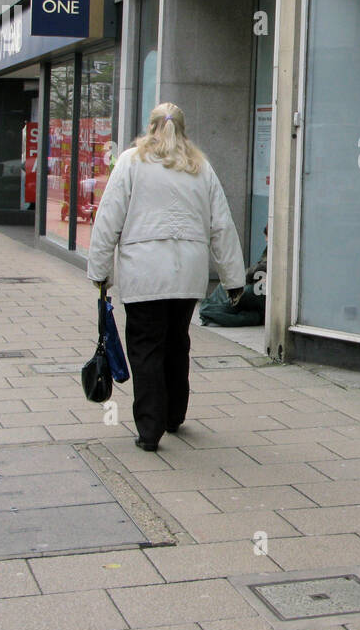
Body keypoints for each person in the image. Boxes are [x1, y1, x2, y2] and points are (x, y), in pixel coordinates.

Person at [87, 103, 245, 452]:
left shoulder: (130, 161)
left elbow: (108, 218)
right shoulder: (200, 167)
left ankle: (149, 429)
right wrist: (233, 280)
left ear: (151, 126)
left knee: (146, 348)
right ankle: (174, 415)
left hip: (144, 272)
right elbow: (222, 225)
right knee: (177, 343)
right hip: (188, 272)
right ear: (183, 130)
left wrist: (100, 272)